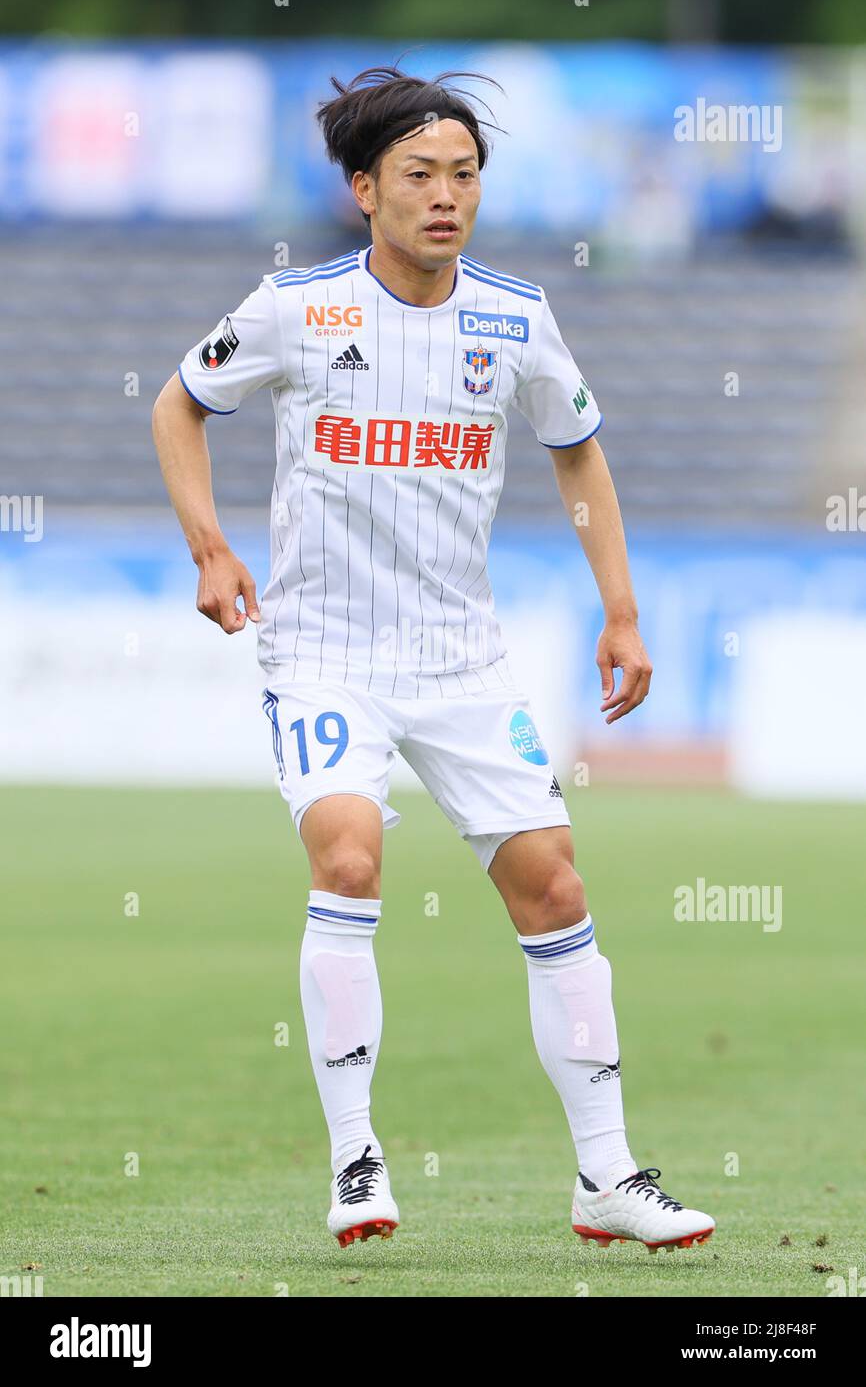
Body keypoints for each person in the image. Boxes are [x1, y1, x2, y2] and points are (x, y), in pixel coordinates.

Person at [152, 66, 715, 1254]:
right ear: (364, 190)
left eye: (462, 174)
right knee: (347, 855)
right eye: (417, 175)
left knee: (555, 887)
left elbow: (577, 454)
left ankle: (605, 1177)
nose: (444, 196)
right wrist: (209, 546)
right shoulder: (294, 307)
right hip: (321, 653)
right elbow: (178, 404)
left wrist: (620, 611)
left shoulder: (513, 318)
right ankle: (357, 1161)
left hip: (463, 661)